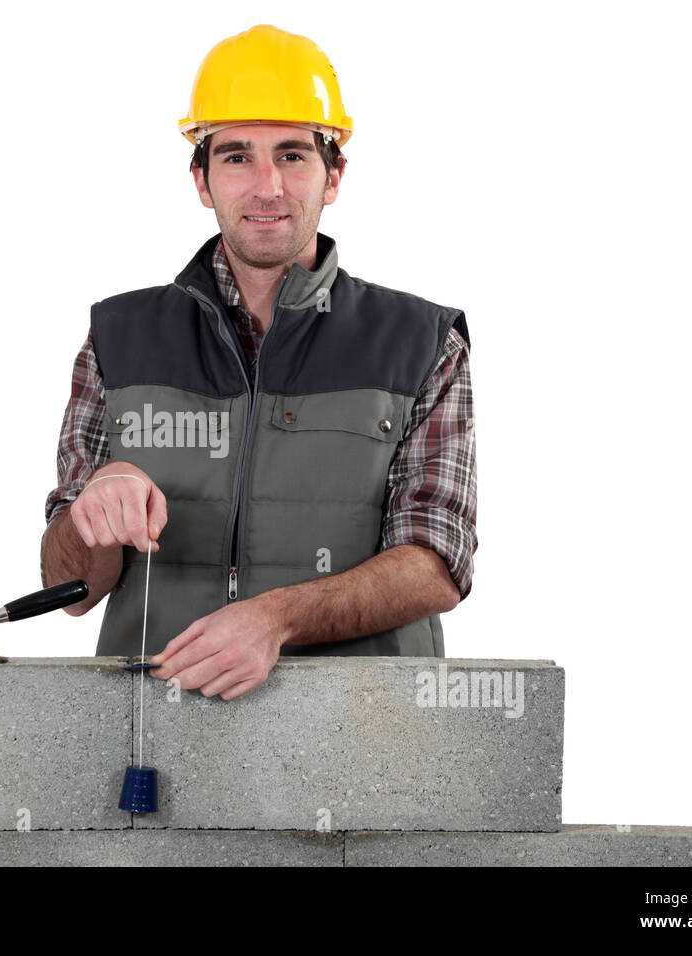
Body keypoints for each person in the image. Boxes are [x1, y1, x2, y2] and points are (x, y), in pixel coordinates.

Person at [41, 24, 476, 701]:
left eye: (294, 156)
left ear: (333, 176)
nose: (267, 186)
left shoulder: (420, 343)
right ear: (201, 178)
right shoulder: (118, 338)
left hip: (369, 740)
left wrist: (275, 620)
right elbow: (71, 589)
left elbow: (438, 564)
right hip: (153, 732)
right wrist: (92, 512)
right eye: (238, 156)